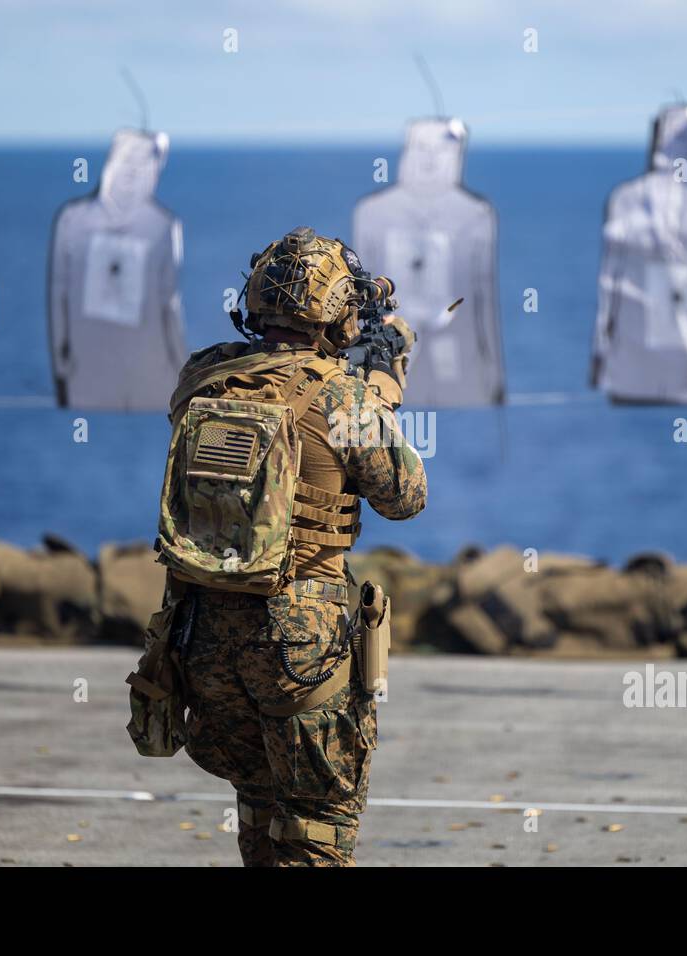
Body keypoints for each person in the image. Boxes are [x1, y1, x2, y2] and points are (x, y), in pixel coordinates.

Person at [159, 226, 426, 866]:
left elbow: (281, 386)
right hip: (298, 638)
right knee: (316, 827)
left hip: (203, 631)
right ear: (334, 311)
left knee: (258, 803)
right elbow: (405, 495)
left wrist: (355, 378)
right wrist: (383, 384)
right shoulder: (344, 397)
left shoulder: (205, 374)